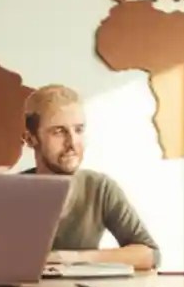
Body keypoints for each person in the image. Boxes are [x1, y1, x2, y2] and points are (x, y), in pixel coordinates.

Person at [20, 85, 158, 270]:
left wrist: (74, 258)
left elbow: (149, 254)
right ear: (30, 139)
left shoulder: (100, 187)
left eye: (78, 130)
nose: (72, 143)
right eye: (59, 132)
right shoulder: (10, 192)